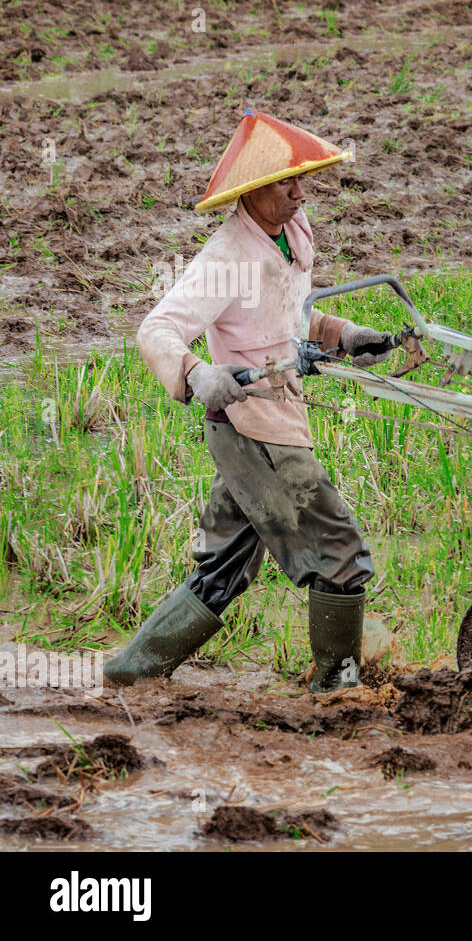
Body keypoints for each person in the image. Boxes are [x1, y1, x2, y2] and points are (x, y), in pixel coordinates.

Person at [105, 109, 392, 693]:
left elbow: (289, 315)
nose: (298, 191)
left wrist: (343, 334)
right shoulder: (226, 258)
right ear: (253, 190)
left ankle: (125, 678)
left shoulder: (293, 230)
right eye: (286, 182)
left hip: (279, 413)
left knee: (222, 571)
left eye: (301, 179)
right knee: (338, 548)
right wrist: (198, 376)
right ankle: (336, 690)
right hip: (253, 428)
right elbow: (155, 330)